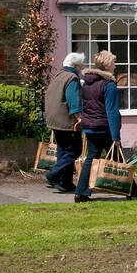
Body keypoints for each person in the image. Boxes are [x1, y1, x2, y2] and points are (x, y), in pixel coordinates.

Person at [74, 50, 137, 202]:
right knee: (118, 159)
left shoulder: (88, 84)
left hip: (90, 127)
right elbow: (112, 112)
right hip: (104, 128)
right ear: (108, 65)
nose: (115, 67)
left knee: (92, 159)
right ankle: (131, 191)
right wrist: (116, 136)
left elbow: (85, 106)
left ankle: (81, 193)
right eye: (113, 63)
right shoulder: (109, 85)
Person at [42, 52, 85, 193]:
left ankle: (65, 182)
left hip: (54, 119)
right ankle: (52, 175)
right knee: (74, 150)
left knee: (63, 151)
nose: (82, 68)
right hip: (66, 121)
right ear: (76, 66)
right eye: (81, 65)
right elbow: (73, 100)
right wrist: (79, 117)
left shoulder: (58, 75)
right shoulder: (72, 78)